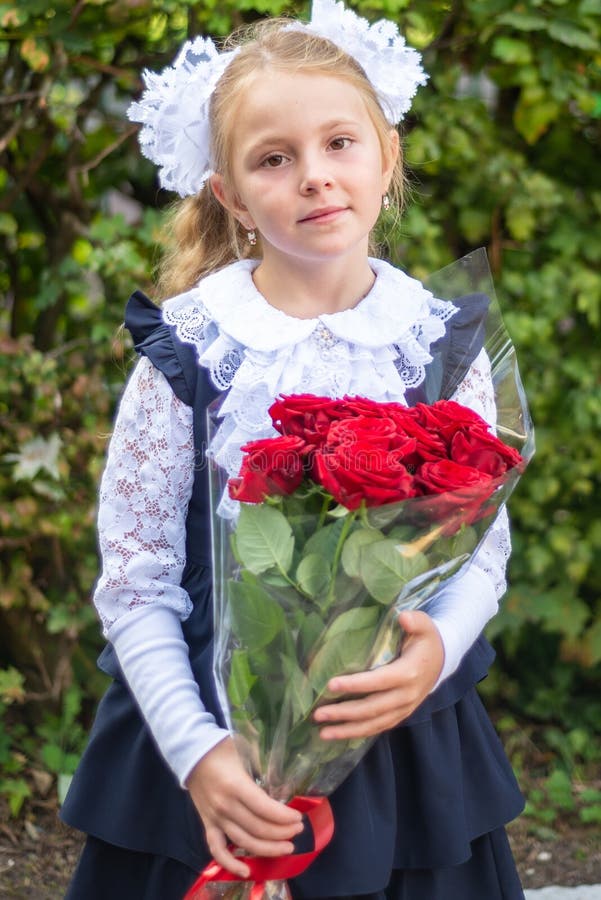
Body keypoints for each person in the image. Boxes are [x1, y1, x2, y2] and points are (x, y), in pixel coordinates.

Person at [61, 2, 526, 897]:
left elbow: (482, 548)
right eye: (274, 159)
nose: (314, 177)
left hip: (394, 735)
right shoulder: (189, 352)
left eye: (339, 143)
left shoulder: (439, 343)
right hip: (208, 732)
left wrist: (432, 658)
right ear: (229, 196)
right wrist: (199, 755)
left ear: (386, 157)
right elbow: (136, 576)